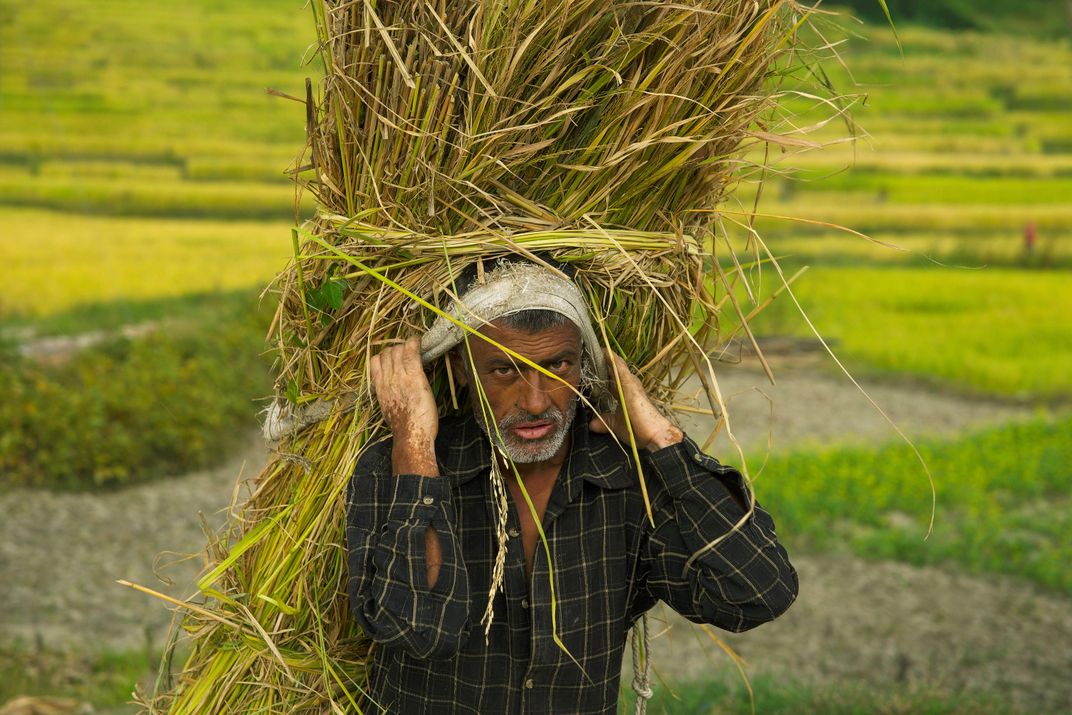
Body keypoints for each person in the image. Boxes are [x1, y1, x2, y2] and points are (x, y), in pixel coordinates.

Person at [345, 260, 798, 714]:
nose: (537, 400)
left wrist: (662, 438)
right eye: (505, 371)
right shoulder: (398, 467)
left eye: (558, 364)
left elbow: (758, 595)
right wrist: (415, 443)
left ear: (587, 364)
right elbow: (418, 629)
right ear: (461, 370)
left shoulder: (625, 478)